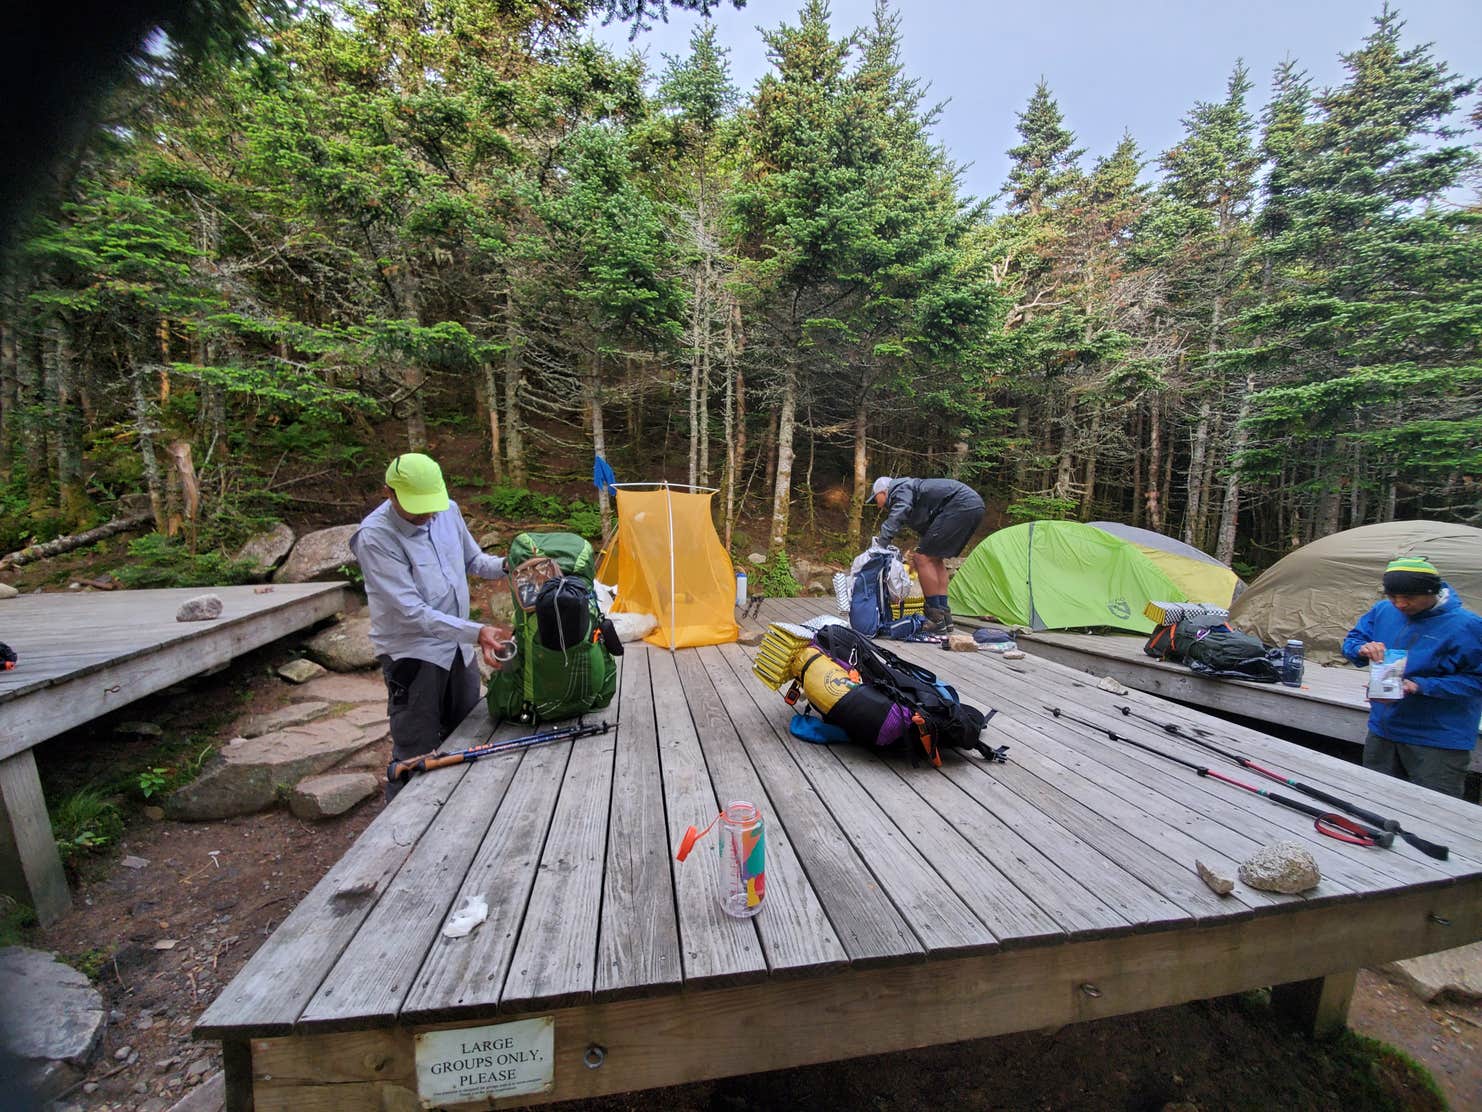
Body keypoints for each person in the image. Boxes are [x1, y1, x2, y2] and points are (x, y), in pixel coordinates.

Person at [350, 452, 514, 799]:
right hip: (412, 652)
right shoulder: (375, 537)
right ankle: (400, 841)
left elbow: (475, 561)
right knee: (418, 750)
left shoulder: (447, 511)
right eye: (417, 506)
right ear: (388, 493)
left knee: (469, 733)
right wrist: (477, 632)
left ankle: (461, 811)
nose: (427, 514)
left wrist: (509, 565)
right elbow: (411, 611)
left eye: (431, 504)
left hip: (456, 646)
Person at [1341, 556, 1482, 798]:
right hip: (1383, 729)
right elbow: (1352, 640)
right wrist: (1361, 650)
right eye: (1393, 596)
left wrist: (1420, 686)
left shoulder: (1467, 626)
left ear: (1433, 592)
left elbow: (1476, 680)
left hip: (1437, 738)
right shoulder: (1384, 610)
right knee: (1373, 801)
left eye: (1409, 597)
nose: (1400, 604)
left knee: (1434, 813)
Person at [871, 476, 985, 635]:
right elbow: (929, 527)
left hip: (960, 504)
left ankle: (934, 617)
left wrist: (880, 545)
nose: (877, 505)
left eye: (875, 498)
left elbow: (899, 513)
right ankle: (944, 615)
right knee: (935, 559)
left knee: (922, 558)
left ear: (883, 492)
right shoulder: (912, 490)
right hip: (973, 505)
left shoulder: (900, 489)